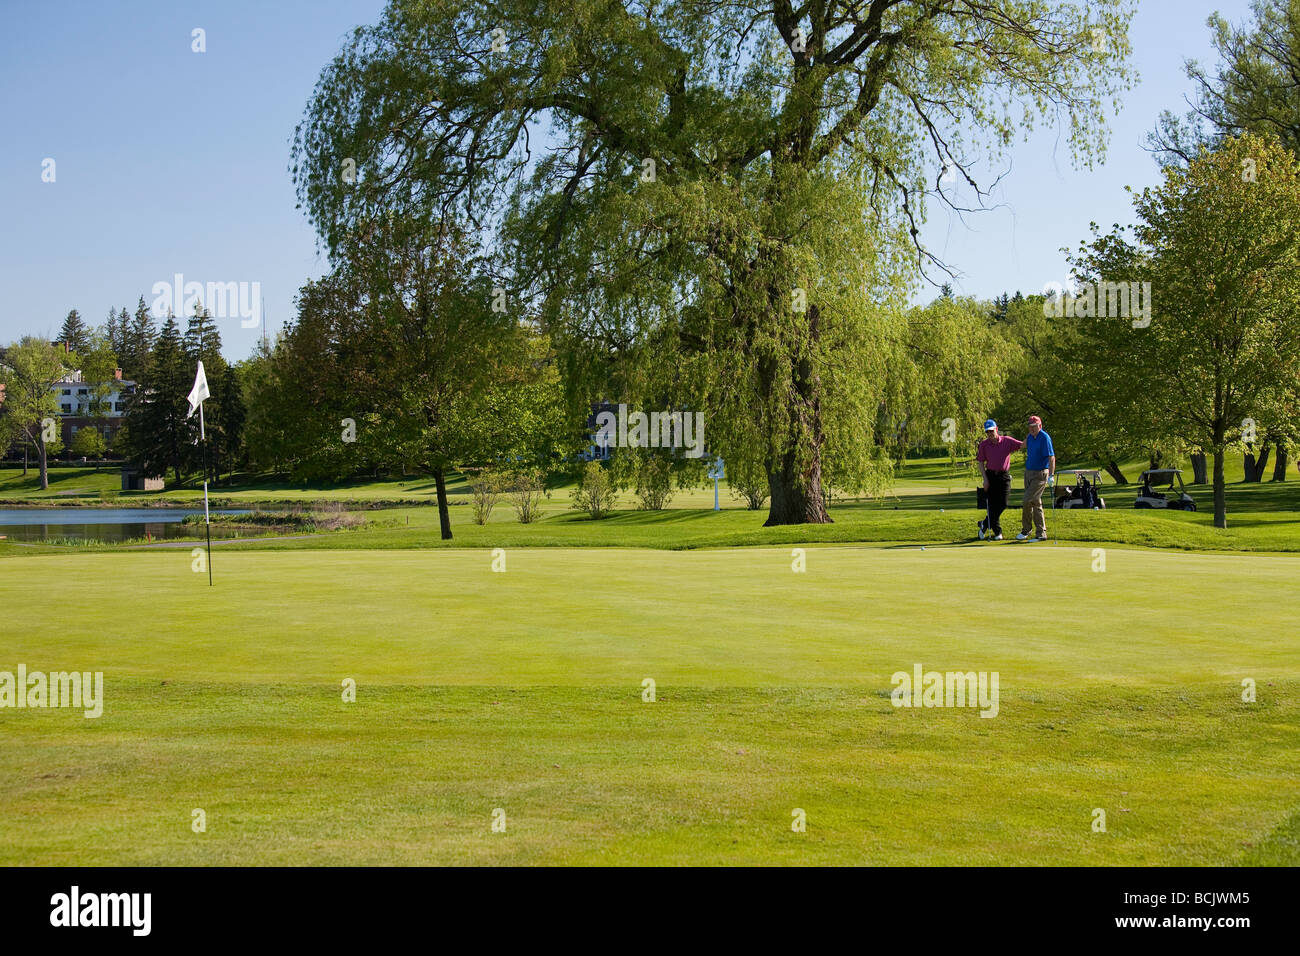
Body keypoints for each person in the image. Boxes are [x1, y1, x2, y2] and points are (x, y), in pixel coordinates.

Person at [975, 419, 1023, 540]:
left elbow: (1022, 445)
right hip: (990, 476)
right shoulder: (984, 445)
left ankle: (984, 523)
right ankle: (998, 532)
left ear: (996, 429)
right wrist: (985, 480)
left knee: (1003, 504)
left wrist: (1033, 436)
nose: (990, 434)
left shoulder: (1007, 441)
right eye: (988, 432)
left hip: (1003, 476)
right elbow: (980, 462)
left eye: (991, 431)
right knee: (992, 505)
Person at [1018, 414, 1056, 541]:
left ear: (1040, 426)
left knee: (1027, 500)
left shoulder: (1044, 437)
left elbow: (1051, 457)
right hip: (1028, 473)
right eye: (1030, 427)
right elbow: (1021, 445)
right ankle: (1040, 533)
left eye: (1034, 426)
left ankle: (1027, 530)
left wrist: (1051, 475)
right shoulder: (1030, 437)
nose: (1032, 429)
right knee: (1035, 502)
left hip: (1040, 474)